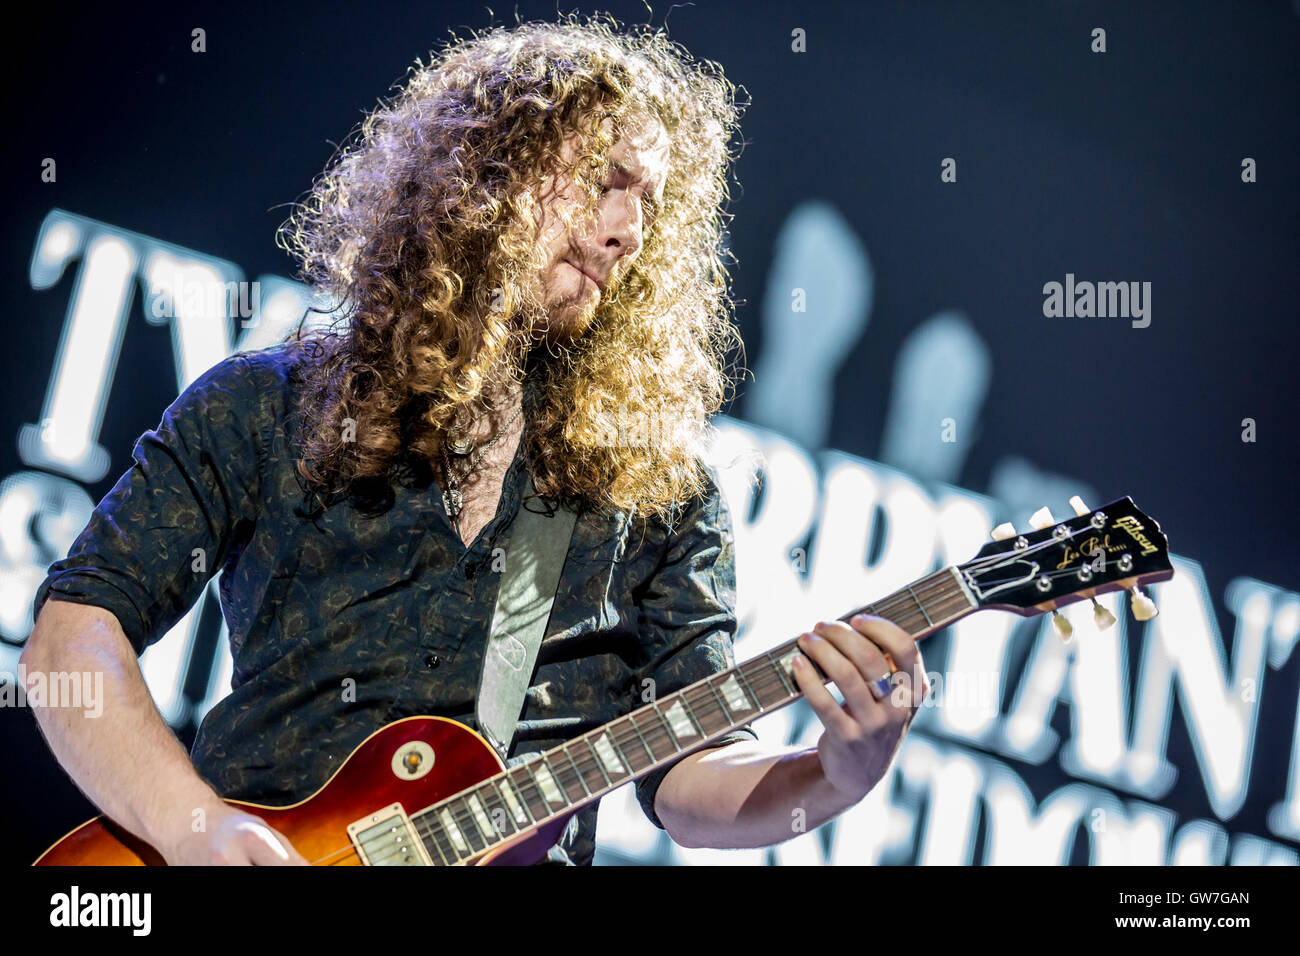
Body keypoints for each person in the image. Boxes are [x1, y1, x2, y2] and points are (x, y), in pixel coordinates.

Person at [22, 15, 926, 866]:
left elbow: (686, 779)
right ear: (487, 173)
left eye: (649, 203)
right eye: (606, 178)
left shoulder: (656, 494)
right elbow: (74, 632)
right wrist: (193, 828)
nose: (628, 230)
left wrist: (837, 774)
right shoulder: (273, 404)